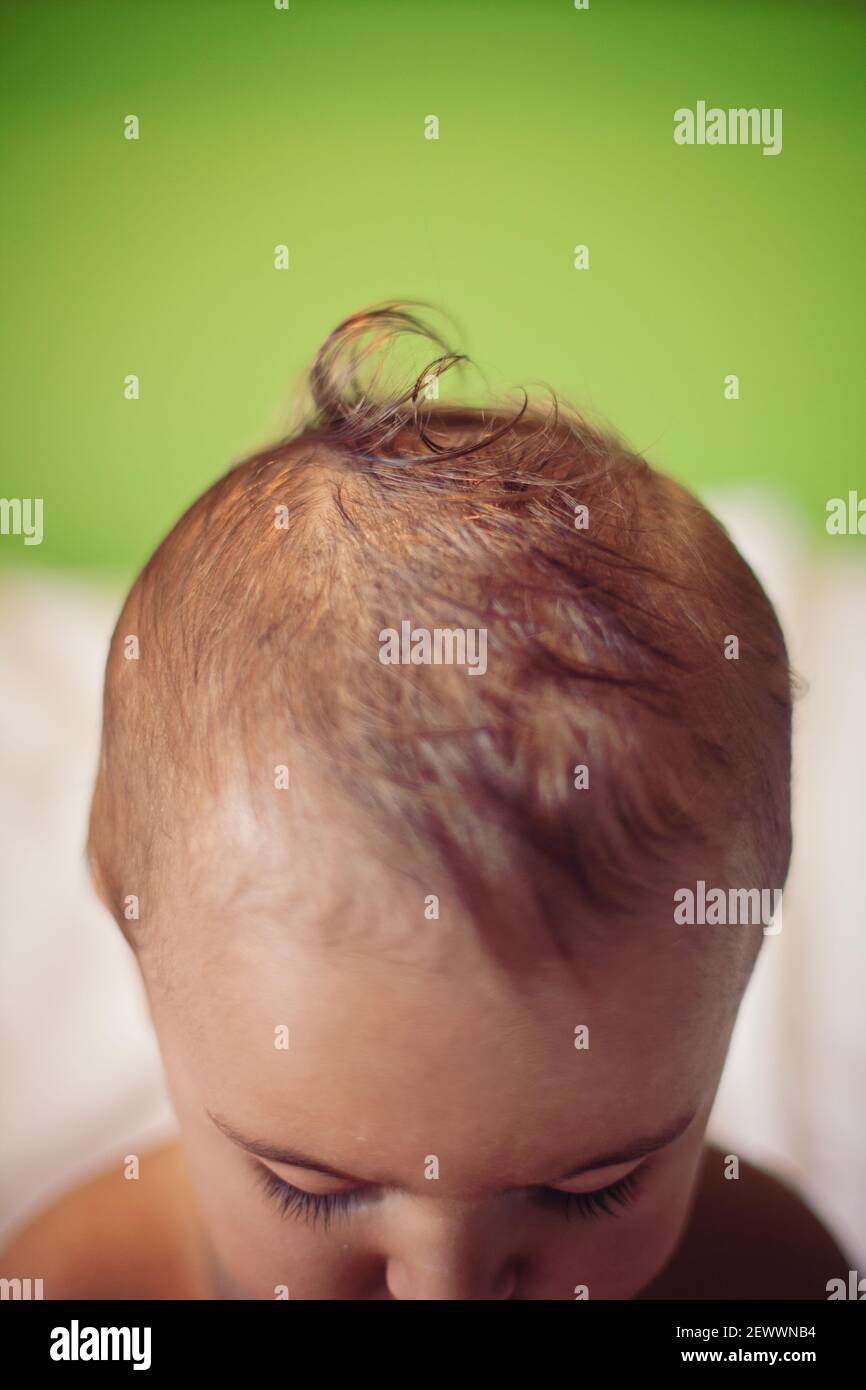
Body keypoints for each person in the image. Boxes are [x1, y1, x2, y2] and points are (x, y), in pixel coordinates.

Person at [0, 303, 851, 1300]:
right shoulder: (85, 1291)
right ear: (133, 937)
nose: (443, 1291)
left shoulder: (761, 1280)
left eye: (590, 1189)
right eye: (311, 1187)